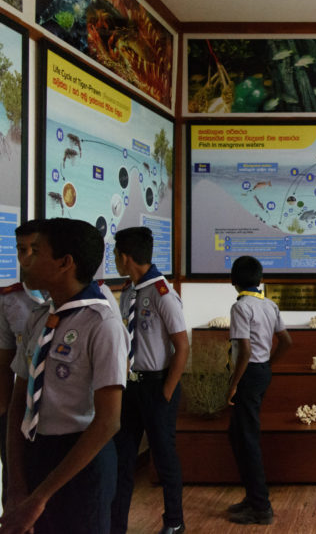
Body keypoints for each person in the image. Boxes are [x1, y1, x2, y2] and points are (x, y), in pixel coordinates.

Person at [1, 218, 128, 533]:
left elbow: (108, 421)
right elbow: (20, 400)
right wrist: (16, 484)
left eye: (36, 251)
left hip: (81, 462)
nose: (26, 260)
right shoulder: (40, 317)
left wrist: (39, 497)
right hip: (34, 451)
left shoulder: (102, 324)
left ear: (64, 263)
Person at [110, 227, 189, 534]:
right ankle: (116, 524)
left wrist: (166, 393)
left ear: (125, 257)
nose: (115, 261)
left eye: (116, 255)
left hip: (157, 386)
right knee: (122, 457)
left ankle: (174, 522)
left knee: (164, 457)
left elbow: (182, 347)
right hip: (130, 386)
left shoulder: (162, 294)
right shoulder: (129, 291)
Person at [225, 255, 292, 525]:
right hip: (260, 372)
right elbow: (286, 342)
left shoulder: (240, 307)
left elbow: (245, 352)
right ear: (260, 279)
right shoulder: (270, 305)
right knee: (238, 435)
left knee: (247, 439)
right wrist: (268, 365)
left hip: (248, 374)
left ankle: (261, 507)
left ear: (233, 281)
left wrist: (234, 384)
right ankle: (253, 496)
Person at [0, 221, 47, 506]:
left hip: (58, 412)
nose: (26, 256)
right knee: (16, 489)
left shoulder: (70, 297)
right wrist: (5, 415)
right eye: (21, 249)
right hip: (20, 406)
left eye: (34, 249)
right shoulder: (10, 300)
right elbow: (4, 359)